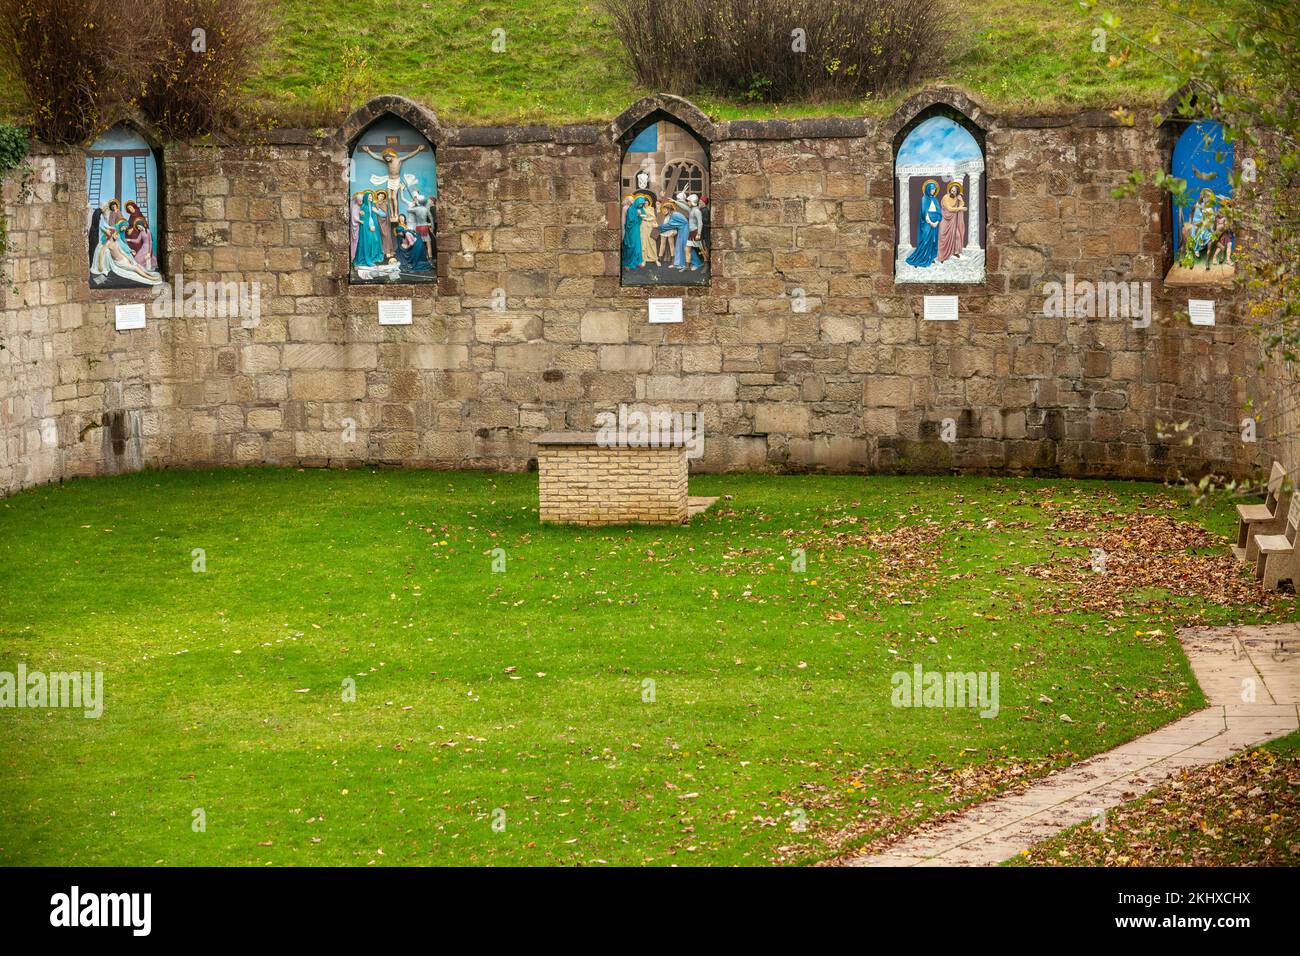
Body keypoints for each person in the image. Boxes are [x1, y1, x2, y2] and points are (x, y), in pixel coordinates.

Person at [906, 180, 941, 268]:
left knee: (933, 241)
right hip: (927, 223)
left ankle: (929, 257)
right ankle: (918, 259)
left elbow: (939, 212)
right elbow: (924, 213)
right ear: (928, 189)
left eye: (935, 189)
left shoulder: (935, 199)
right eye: (932, 189)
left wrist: (936, 222)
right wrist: (930, 222)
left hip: (935, 223)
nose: (934, 191)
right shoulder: (924, 199)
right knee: (925, 241)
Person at [352, 191, 385, 268]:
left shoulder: (372, 205)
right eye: (369, 197)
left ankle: (373, 256)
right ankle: (367, 258)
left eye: (371, 196)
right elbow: (364, 219)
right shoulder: (363, 206)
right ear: (366, 198)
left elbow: (374, 217)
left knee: (375, 241)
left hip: (373, 226)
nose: (370, 198)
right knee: (368, 242)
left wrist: (374, 226)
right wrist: (370, 226)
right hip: (366, 228)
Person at [937, 181, 967, 263]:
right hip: (945, 220)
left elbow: (961, 205)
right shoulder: (945, 197)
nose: (952, 192)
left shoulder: (956, 198)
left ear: (957, 192)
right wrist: (960, 208)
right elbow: (949, 209)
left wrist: (960, 200)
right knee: (943, 237)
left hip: (953, 221)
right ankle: (942, 256)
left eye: (955, 191)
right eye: (952, 190)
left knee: (956, 236)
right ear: (949, 190)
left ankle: (955, 252)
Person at [621, 195, 647, 270]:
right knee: (630, 245)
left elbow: (643, 216)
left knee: (637, 245)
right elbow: (627, 220)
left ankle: (638, 261)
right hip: (630, 230)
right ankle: (628, 263)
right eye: (640, 204)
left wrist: (640, 216)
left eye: (642, 204)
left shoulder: (640, 209)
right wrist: (637, 215)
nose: (641, 205)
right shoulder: (629, 209)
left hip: (637, 229)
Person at [686, 194, 704, 270]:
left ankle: (699, 264)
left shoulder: (696, 211)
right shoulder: (691, 209)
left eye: (689, 201)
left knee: (702, 250)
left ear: (692, 201)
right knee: (687, 249)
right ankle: (687, 265)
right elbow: (684, 207)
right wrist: (676, 202)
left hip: (696, 232)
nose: (688, 203)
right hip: (691, 232)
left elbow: (700, 223)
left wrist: (699, 234)